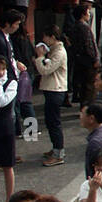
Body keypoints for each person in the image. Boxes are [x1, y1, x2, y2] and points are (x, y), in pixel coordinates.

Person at [34, 25, 68, 166]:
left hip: (56, 89)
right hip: (52, 89)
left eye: (45, 37)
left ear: (52, 37)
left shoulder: (59, 52)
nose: (43, 40)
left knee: (54, 122)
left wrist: (39, 58)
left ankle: (58, 154)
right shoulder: (54, 50)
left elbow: (45, 70)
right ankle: (56, 149)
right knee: (50, 121)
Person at [0, 57, 18, 202]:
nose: (0, 72)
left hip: (5, 128)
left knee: (7, 165)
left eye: (2, 69)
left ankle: (9, 201)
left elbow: (2, 101)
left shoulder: (11, 83)